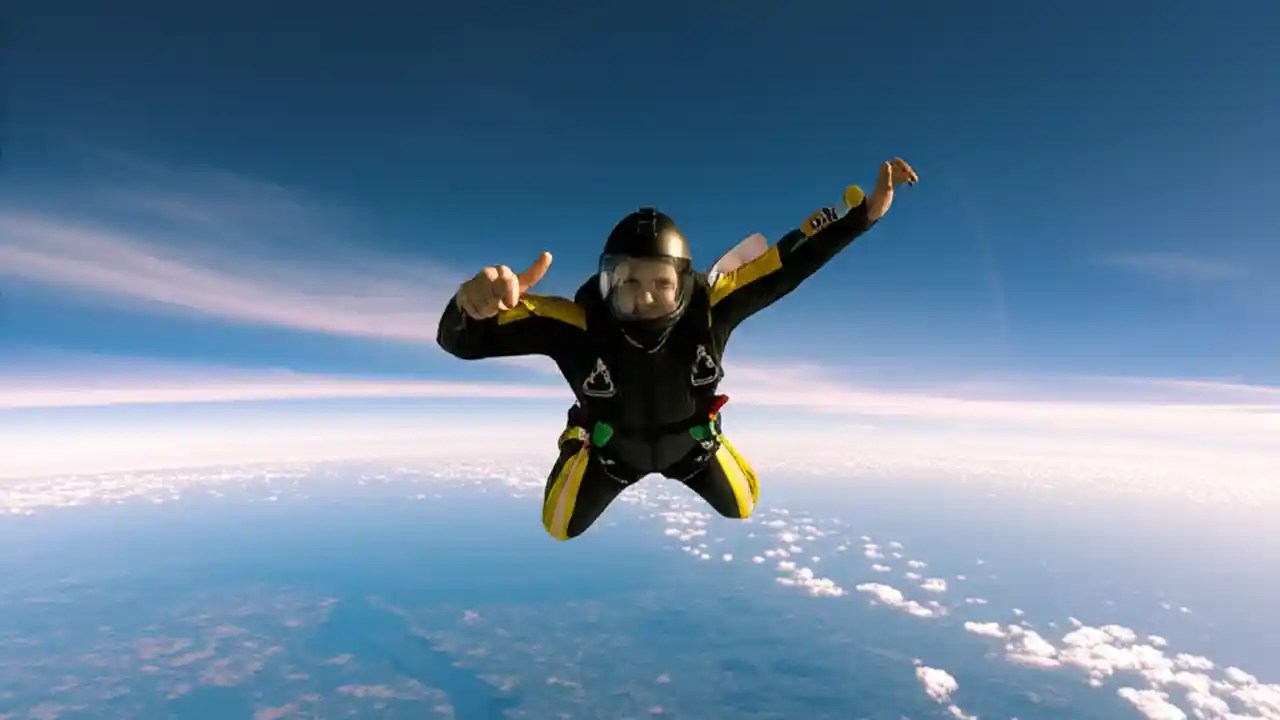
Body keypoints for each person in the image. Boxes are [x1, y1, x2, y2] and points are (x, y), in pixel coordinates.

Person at [437, 157, 919, 540]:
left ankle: (702, 438)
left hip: (692, 449)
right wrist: (471, 306)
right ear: (606, 283)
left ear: (684, 284)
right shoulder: (574, 324)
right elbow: (462, 342)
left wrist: (864, 215)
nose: (645, 297)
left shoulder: (712, 307)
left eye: (661, 283)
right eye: (628, 282)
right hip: (611, 454)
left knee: (743, 506)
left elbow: (789, 262)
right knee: (559, 526)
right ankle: (575, 436)